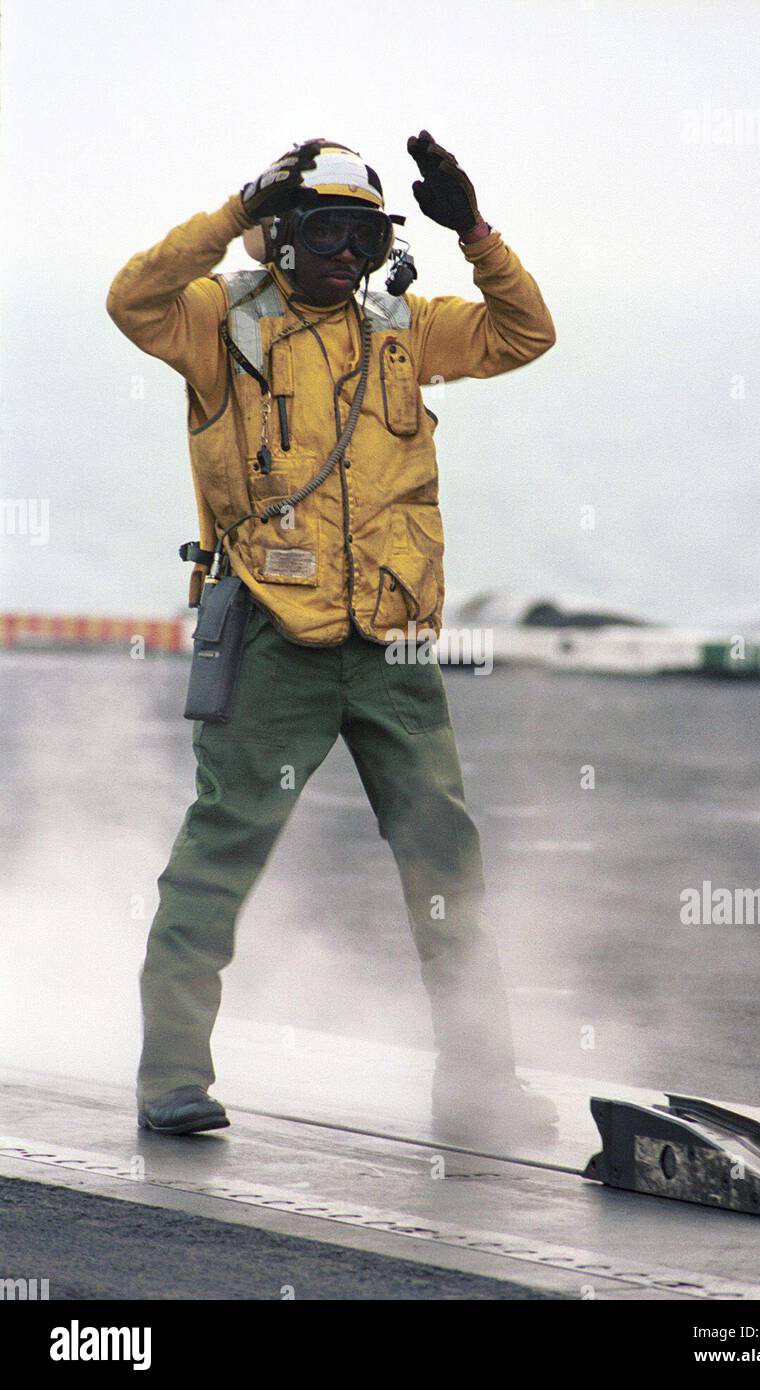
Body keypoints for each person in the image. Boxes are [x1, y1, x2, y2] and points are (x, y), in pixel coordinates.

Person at [107, 132, 558, 1139]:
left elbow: (526, 335)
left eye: (364, 235)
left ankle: (479, 1086)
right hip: (274, 639)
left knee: (449, 865)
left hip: (394, 649)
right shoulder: (215, 321)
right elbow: (131, 298)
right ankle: (172, 1077)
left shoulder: (401, 329)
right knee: (220, 854)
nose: (348, 256)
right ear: (277, 236)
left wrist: (476, 232)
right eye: (324, 232)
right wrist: (232, 205)